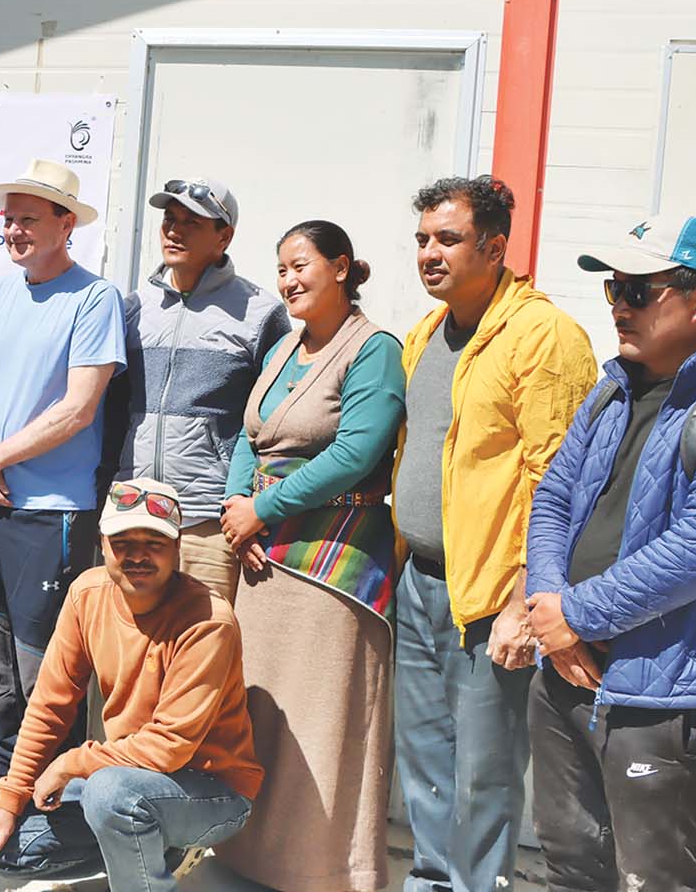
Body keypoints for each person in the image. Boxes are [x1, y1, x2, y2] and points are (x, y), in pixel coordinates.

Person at [525, 214, 696, 892]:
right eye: (613, 289)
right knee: (570, 865)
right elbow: (551, 500)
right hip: (564, 673)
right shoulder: (611, 389)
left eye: (638, 291)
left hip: (667, 692)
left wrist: (575, 614)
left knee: (655, 878)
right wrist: (551, 613)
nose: (617, 306)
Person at [391, 175, 598, 892]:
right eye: (422, 239)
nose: (428, 253)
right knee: (423, 764)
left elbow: (560, 481)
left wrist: (523, 599)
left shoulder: (544, 336)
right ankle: (430, 881)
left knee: (483, 774)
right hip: (418, 580)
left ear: (495, 246)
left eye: (447, 239)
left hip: (488, 597)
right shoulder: (428, 332)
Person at [215, 220, 405, 891]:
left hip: (329, 566)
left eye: (301, 265)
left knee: (320, 722)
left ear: (343, 267)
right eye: (282, 269)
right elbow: (250, 436)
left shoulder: (373, 350)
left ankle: (321, 871)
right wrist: (240, 509)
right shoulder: (286, 348)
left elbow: (357, 452)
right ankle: (248, 856)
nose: (289, 280)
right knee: (260, 715)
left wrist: (263, 509)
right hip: (263, 564)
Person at [0, 477, 262, 891]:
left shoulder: (207, 621)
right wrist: (9, 799)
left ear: (178, 547)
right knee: (8, 851)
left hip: (213, 790)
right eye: (123, 542)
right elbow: (49, 705)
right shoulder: (86, 595)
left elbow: (168, 746)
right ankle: (155, 850)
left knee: (110, 794)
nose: (137, 556)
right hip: (132, 777)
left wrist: (71, 763)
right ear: (103, 543)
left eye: (154, 543)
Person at [0, 158, 127, 815]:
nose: (14, 229)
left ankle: (53, 800)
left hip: (49, 514)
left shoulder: (93, 299)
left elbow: (79, 408)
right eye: (9, 218)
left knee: (45, 669)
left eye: (28, 218)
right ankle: (1, 779)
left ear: (65, 224)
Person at [112, 176, 289, 603]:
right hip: (132, 511)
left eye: (192, 222)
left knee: (203, 653)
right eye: (169, 220)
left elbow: (272, 422)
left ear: (224, 236)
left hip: (207, 521)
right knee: (132, 657)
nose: (174, 231)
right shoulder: (133, 307)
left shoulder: (260, 313)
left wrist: (245, 504)